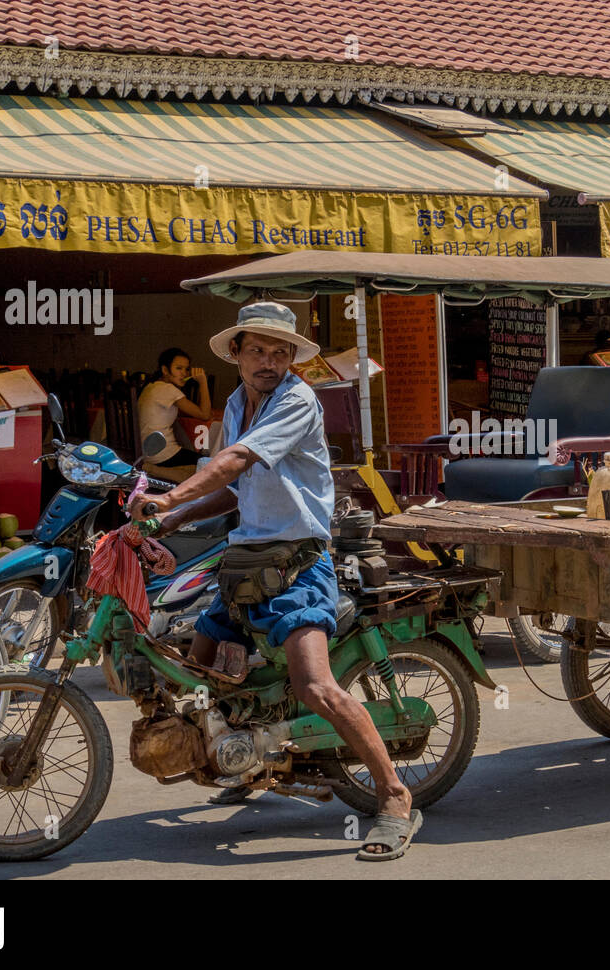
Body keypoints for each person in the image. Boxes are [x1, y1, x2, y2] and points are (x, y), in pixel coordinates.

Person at [128, 302, 420, 861]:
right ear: (235, 353)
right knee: (203, 666)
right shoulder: (239, 402)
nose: (269, 361)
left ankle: (394, 797)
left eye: (280, 351)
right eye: (257, 350)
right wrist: (169, 518)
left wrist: (170, 494)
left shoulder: (295, 399)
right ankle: (251, 758)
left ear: (291, 358)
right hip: (246, 561)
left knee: (315, 686)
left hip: (299, 562)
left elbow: (235, 462)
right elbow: (234, 488)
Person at [137, 348, 212, 469]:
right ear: (165, 370)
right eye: (178, 368)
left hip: (147, 454)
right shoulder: (167, 389)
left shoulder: (152, 386)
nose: (184, 373)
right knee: (210, 462)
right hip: (162, 456)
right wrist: (203, 382)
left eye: (186, 369)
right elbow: (205, 415)